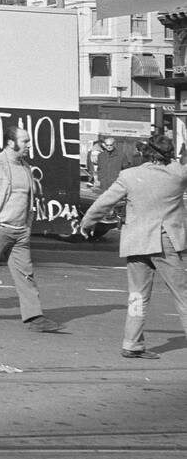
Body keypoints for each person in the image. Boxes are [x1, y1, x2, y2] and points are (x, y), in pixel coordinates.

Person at [79, 133, 187, 359]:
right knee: (182, 294)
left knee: (137, 296)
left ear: (146, 153)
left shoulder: (129, 176)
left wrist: (87, 222)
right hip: (165, 242)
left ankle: (132, 343)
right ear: (169, 155)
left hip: (137, 242)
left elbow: (104, 202)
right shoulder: (178, 174)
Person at [0, 126, 61, 332]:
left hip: (20, 231)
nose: (29, 145)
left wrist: (27, 226)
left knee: (26, 274)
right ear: (10, 143)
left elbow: (28, 199)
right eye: (25, 141)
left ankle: (34, 318)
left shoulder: (25, 167)